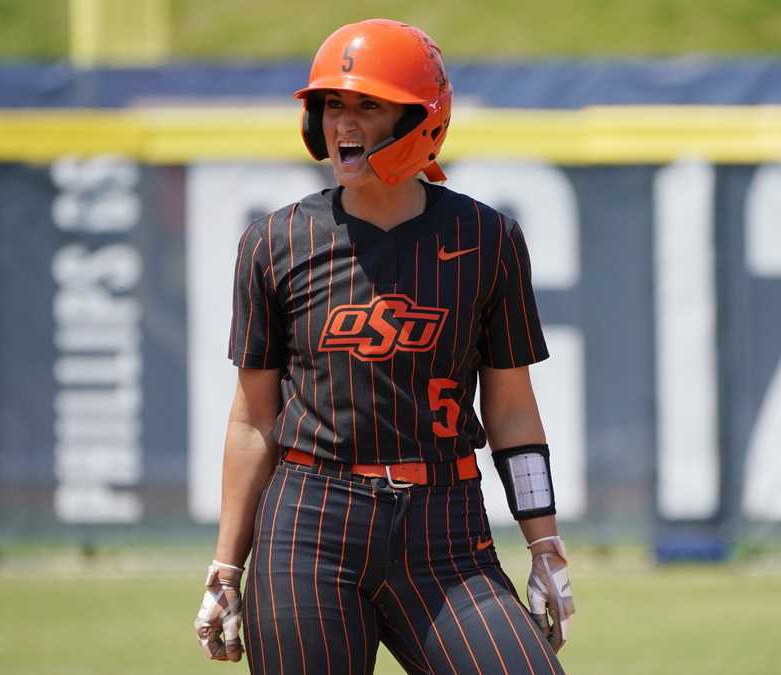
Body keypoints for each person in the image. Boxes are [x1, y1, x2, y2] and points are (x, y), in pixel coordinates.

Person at [194, 18, 575, 674]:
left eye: (368, 104)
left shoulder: (489, 239)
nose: (344, 122)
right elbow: (254, 418)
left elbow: (512, 409)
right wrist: (226, 566)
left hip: (447, 534)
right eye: (332, 104)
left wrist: (544, 541)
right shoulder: (275, 243)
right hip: (309, 529)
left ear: (420, 119)